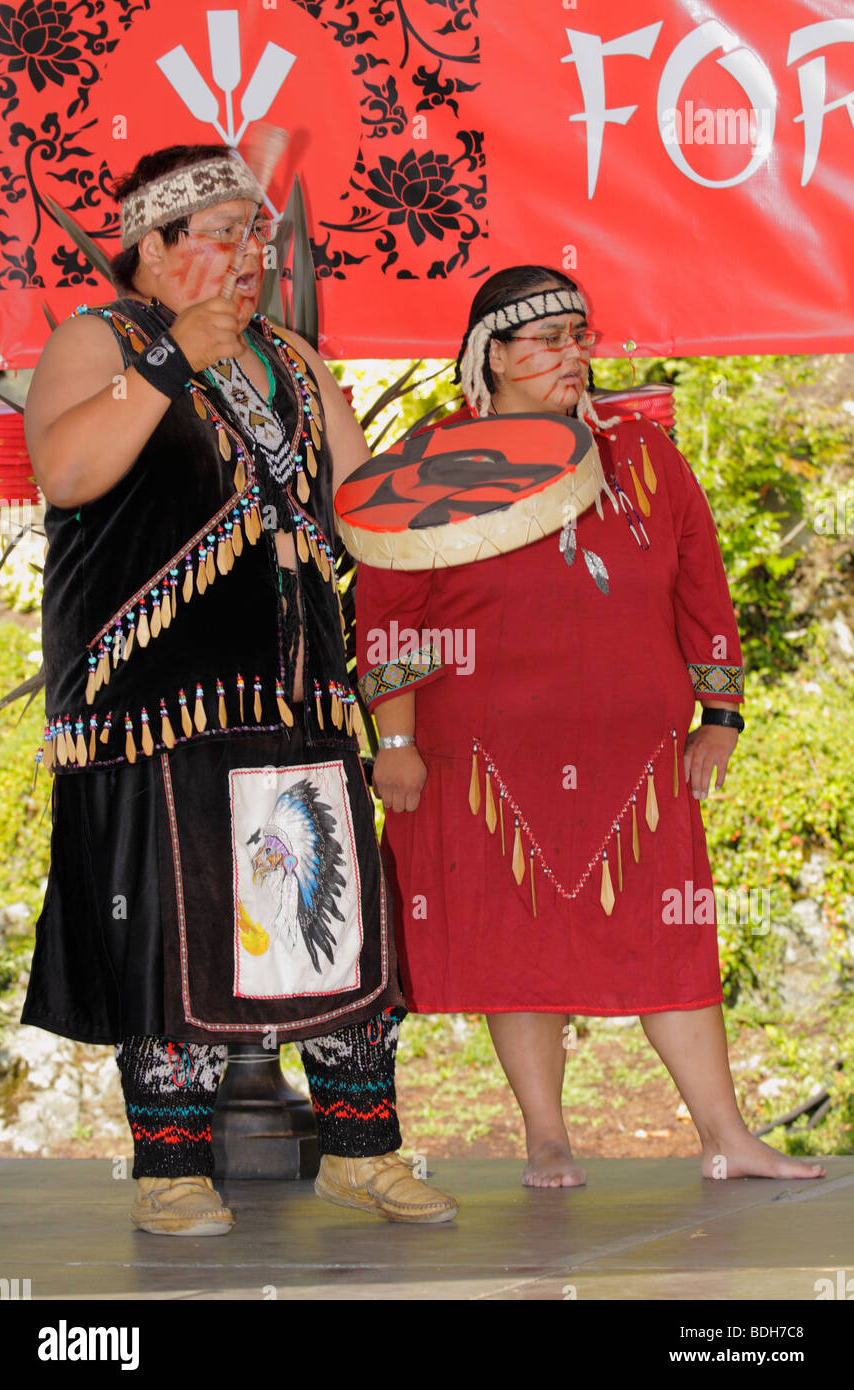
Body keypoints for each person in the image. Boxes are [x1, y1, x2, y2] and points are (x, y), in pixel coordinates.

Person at [21, 142, 456, 1232]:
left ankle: (364, 1147)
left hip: (297, 693)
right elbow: (66, 472)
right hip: (156, 701)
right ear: (152, 250)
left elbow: (366, 512)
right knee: (173, 932)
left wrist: (485, 462)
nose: (249, 254)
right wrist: (170, 362)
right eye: (219, 233)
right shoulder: (97, 338)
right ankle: (171, 1170)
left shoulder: (294, 360)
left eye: (255, 233)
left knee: (332, 923)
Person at [353, 264, 826, 1189]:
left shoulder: (646, 453)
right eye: (548, 340)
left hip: (636, 760)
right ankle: (546, 1137)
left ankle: (727, 1137)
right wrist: (396, 741)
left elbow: (702, 584)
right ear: (489, 356)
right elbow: (392, 605)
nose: (574, 355)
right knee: (513, 944)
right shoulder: (429, 461)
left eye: (582, 336)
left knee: (670, 939)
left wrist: (720, 713)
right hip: (481, 754)